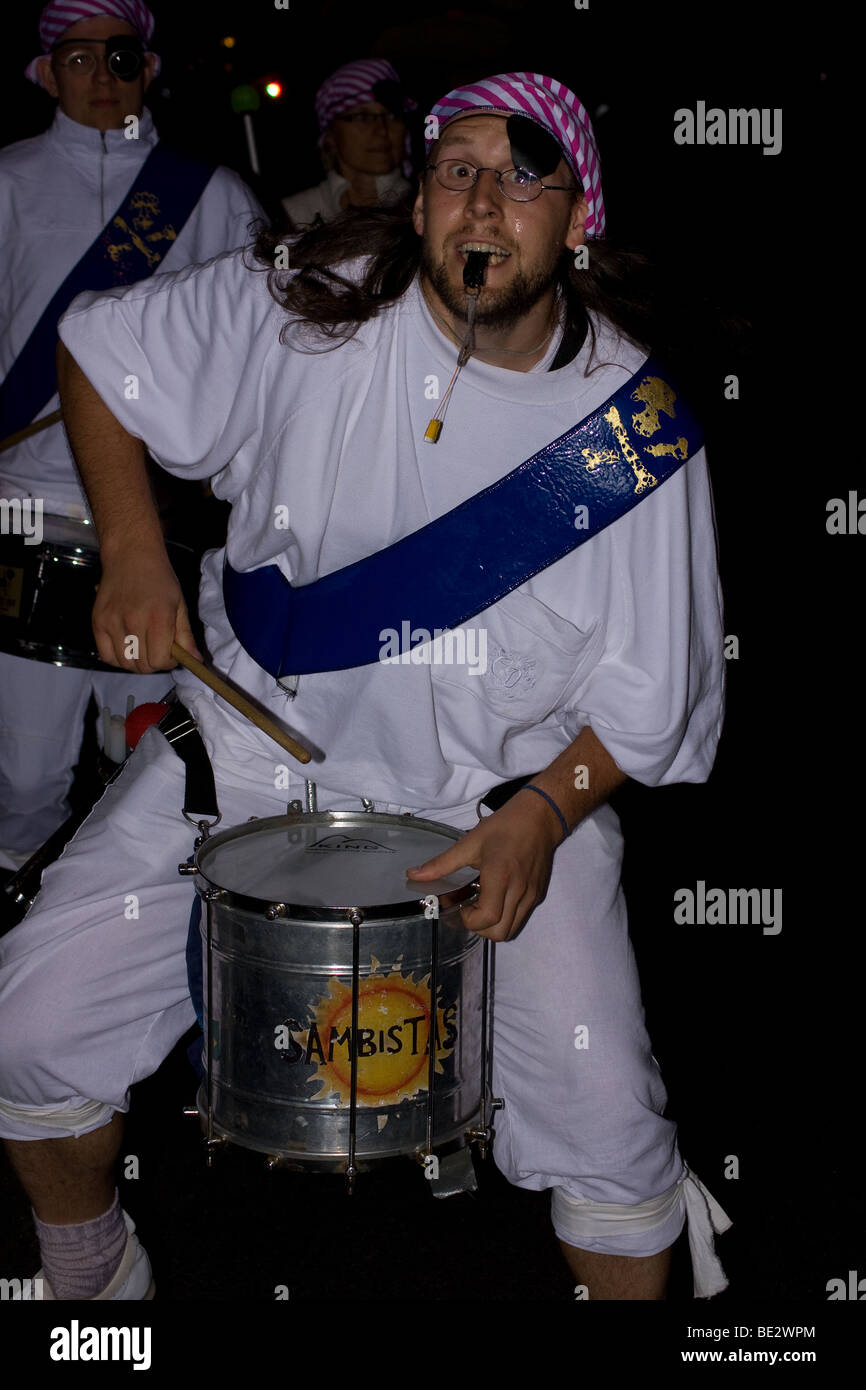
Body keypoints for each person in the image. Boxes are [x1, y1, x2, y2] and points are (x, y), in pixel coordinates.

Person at [0, 70, 731, 1301]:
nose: (482, 201)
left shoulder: (632, 434)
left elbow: (653, 713)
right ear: (422, 199)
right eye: (455, 171)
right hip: (242, 766)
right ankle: (93, 1285)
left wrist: (549, 814)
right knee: (25, 1035)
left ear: (577, 215)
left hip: (494, 806)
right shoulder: (305, 302)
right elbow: (97, 349)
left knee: (609, 1139)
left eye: (522, 175)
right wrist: (132, 549)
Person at [0, 0, 264, 871]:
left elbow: (260, 352)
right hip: (27, 507)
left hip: (160, 517)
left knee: (148, 753)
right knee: (25, 773)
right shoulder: (7, 181)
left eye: (121, 57)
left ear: (147, 68)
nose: (102, 76)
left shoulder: (214, 195)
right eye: (79, 59)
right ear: (46, 72)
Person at [281, 58, 416, 230]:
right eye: (363, 117)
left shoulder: (427, 206)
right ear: (331, 134)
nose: (382, 130)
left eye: (392, 116)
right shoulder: (296, 214)